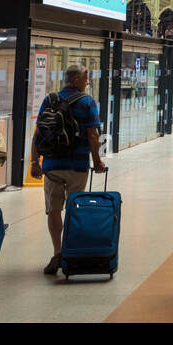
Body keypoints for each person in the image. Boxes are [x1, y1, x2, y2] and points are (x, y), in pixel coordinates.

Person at [30, 64, 107, 276]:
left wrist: (35, 162)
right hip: (77, 165)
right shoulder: (88, 101)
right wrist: (97, 161)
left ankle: (57, 252)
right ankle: (71, 252)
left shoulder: (50, 99)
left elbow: (39, 131)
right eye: (86, 78)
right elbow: (93, 135)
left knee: (53, 209)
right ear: (75, 81)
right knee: (74, 208)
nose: (88, 81)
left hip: (52, 164)